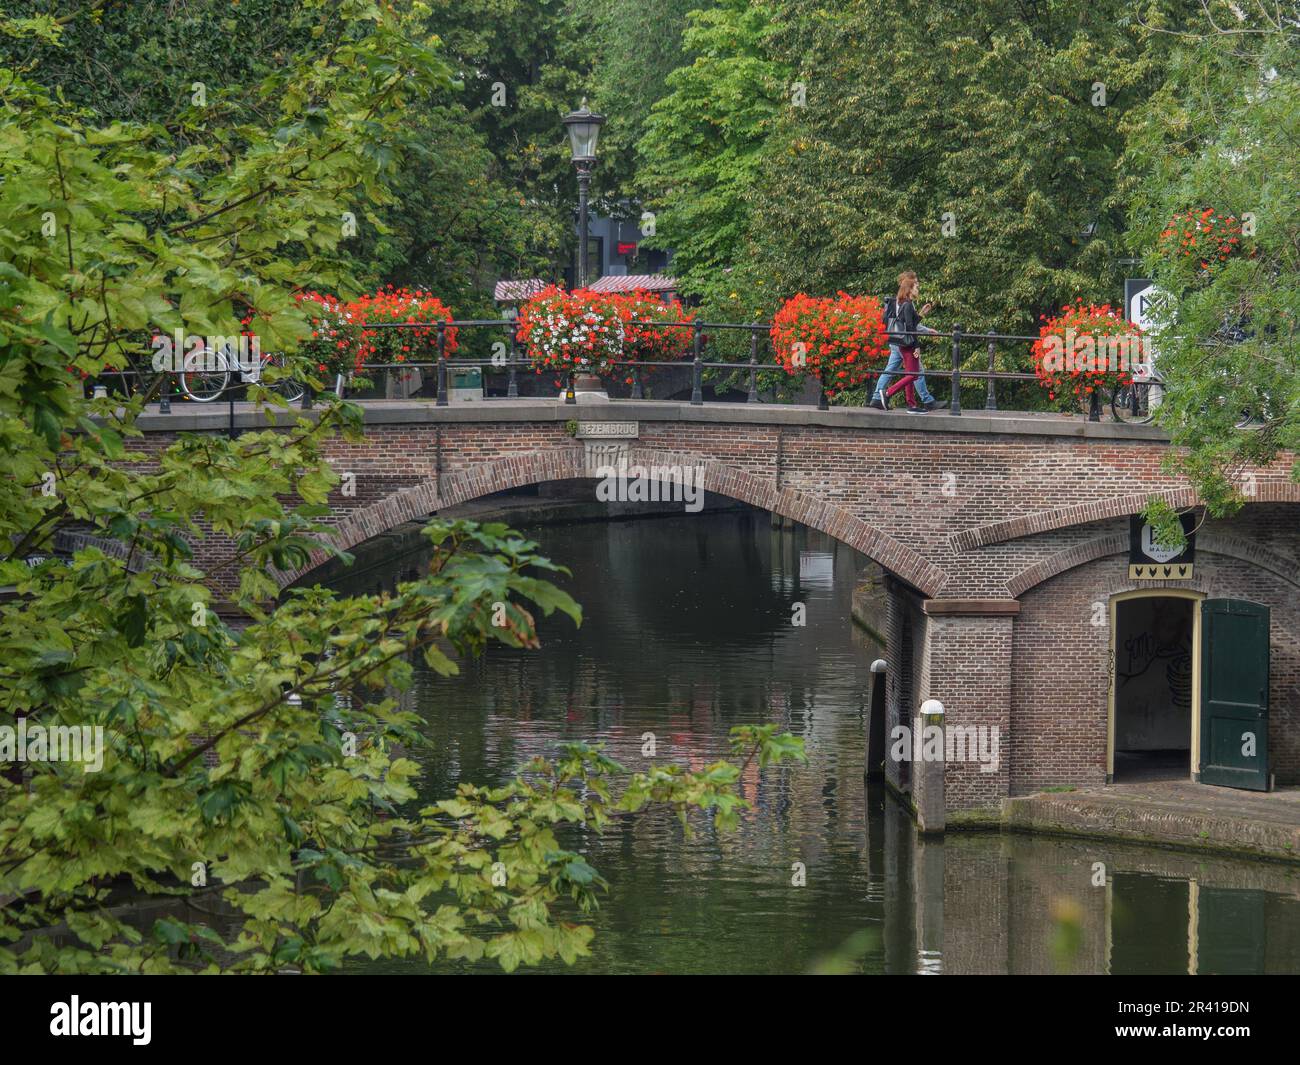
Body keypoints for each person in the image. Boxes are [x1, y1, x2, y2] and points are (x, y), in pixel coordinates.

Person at [869, 271, 937, 412]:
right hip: (906, 343)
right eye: (916, 285)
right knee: (914, 373)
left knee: (909, 372)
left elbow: (910, 323)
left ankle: (910, 403)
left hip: (902, 342)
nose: (918, 288)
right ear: (909, 286)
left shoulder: (903, 303)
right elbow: (910, 327)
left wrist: (922, 314)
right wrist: (917, 346)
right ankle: (886, 394)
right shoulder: (906, 304)